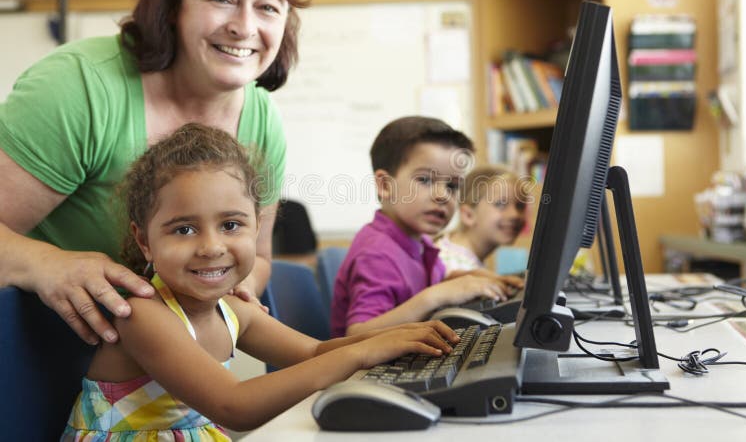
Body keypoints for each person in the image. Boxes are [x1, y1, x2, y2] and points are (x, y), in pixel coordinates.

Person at [0, 0, 306, 346]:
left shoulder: (262, 119)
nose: (244, 26)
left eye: (268, 7)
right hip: (28, 356)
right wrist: (43, 262)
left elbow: (258, 258)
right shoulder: (80, 87)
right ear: (171, 6)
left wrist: (239, 284)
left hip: (155, 375)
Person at [60, 123, 457, 440]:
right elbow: (234, 405)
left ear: (257, 229)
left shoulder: (233, 310)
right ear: (145, 241)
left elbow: (314, 353)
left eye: (231, 224)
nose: (211, 247)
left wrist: (396, 338)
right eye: (183, 230)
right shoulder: (141, 314)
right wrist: (362, 354)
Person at [330, 116, 520, 337]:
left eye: (452, 186)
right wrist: (437, 295)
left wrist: (467, 279)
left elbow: (415, 289)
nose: (442, 195)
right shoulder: (376, 252)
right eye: (425, 180)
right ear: (385, 185)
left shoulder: (419, 243)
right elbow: (357, 334)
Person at [436, 165, 533, 278]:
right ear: (468, 215)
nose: (515, 215)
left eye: (520, 206)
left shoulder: (460, 255)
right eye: (500, 204)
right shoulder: (457, 268)